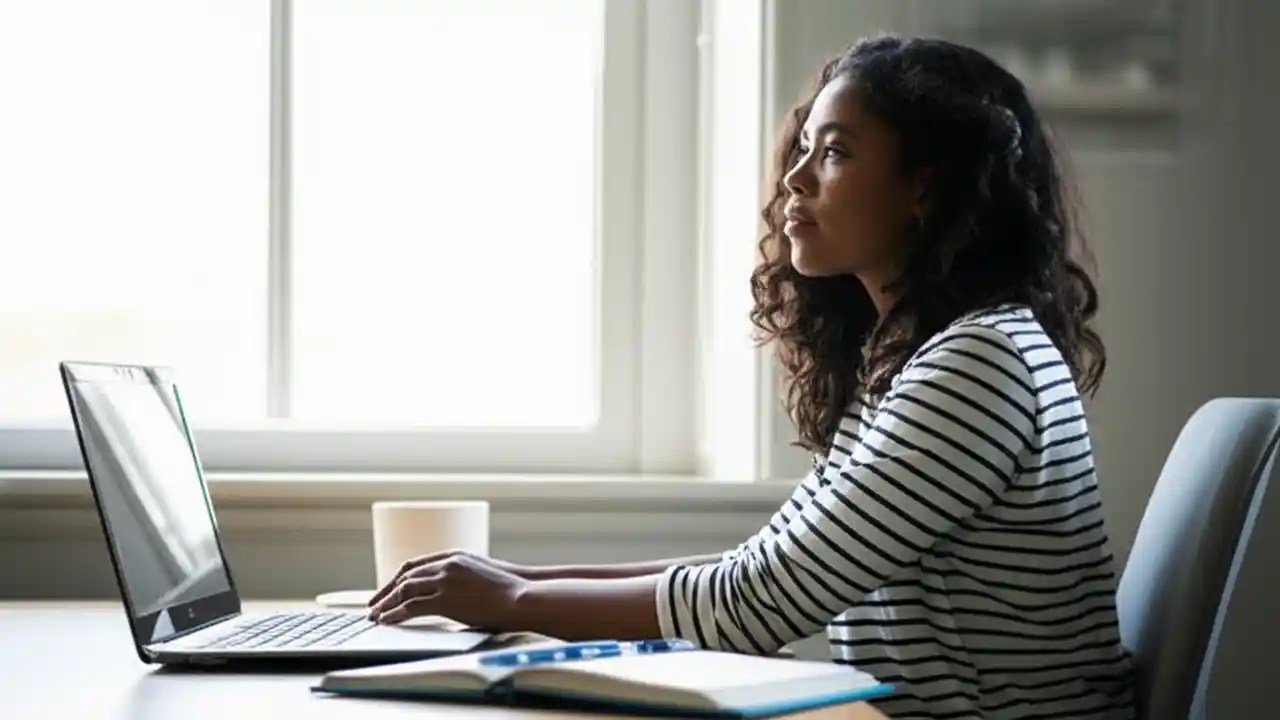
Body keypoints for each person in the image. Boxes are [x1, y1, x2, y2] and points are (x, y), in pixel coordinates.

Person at [366, 35, 1134, 719]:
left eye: (833, 152)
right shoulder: (909, 359)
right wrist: (515, 580)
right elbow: (763, 567)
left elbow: (760, 604)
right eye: (803, 148)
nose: (794, 178)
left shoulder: (977, 364)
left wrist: (517, 600)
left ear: (924, 188)